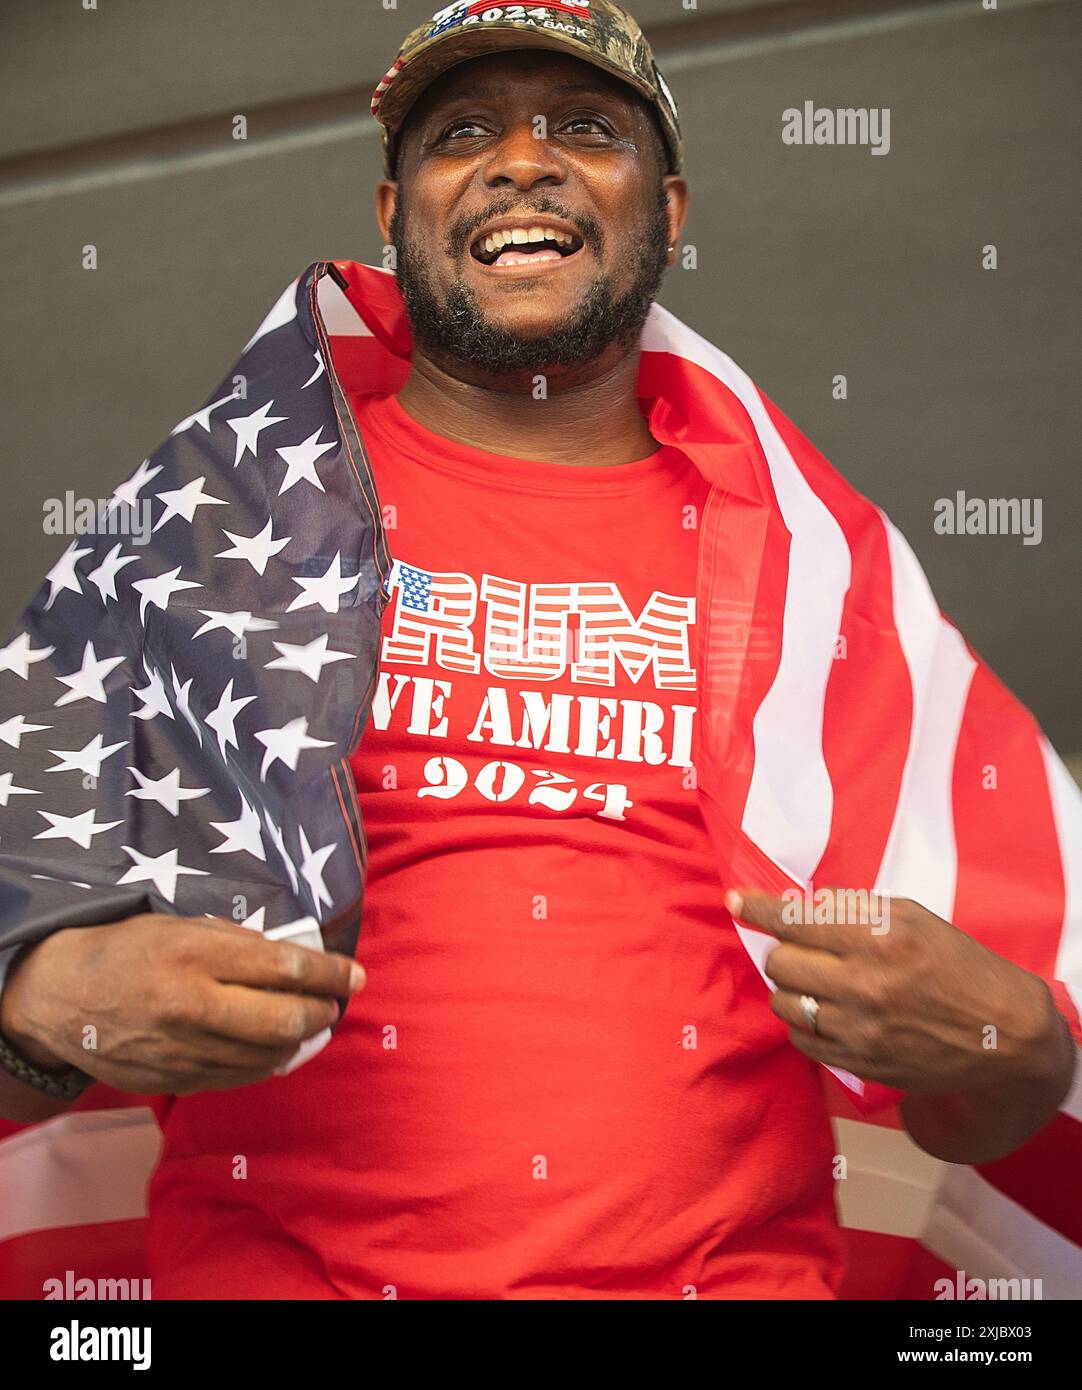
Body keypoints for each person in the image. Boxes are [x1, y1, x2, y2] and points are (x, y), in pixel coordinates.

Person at [0, 0, 1077, 1300]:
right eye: (461, 132)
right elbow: (28, 895)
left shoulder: (810, 569)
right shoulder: (227, 522)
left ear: (668, 211)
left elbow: (975, 1103)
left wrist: (1016, 1043)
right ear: (391, 215)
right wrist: (38, 985)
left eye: (581, 125)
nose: (521, 158)